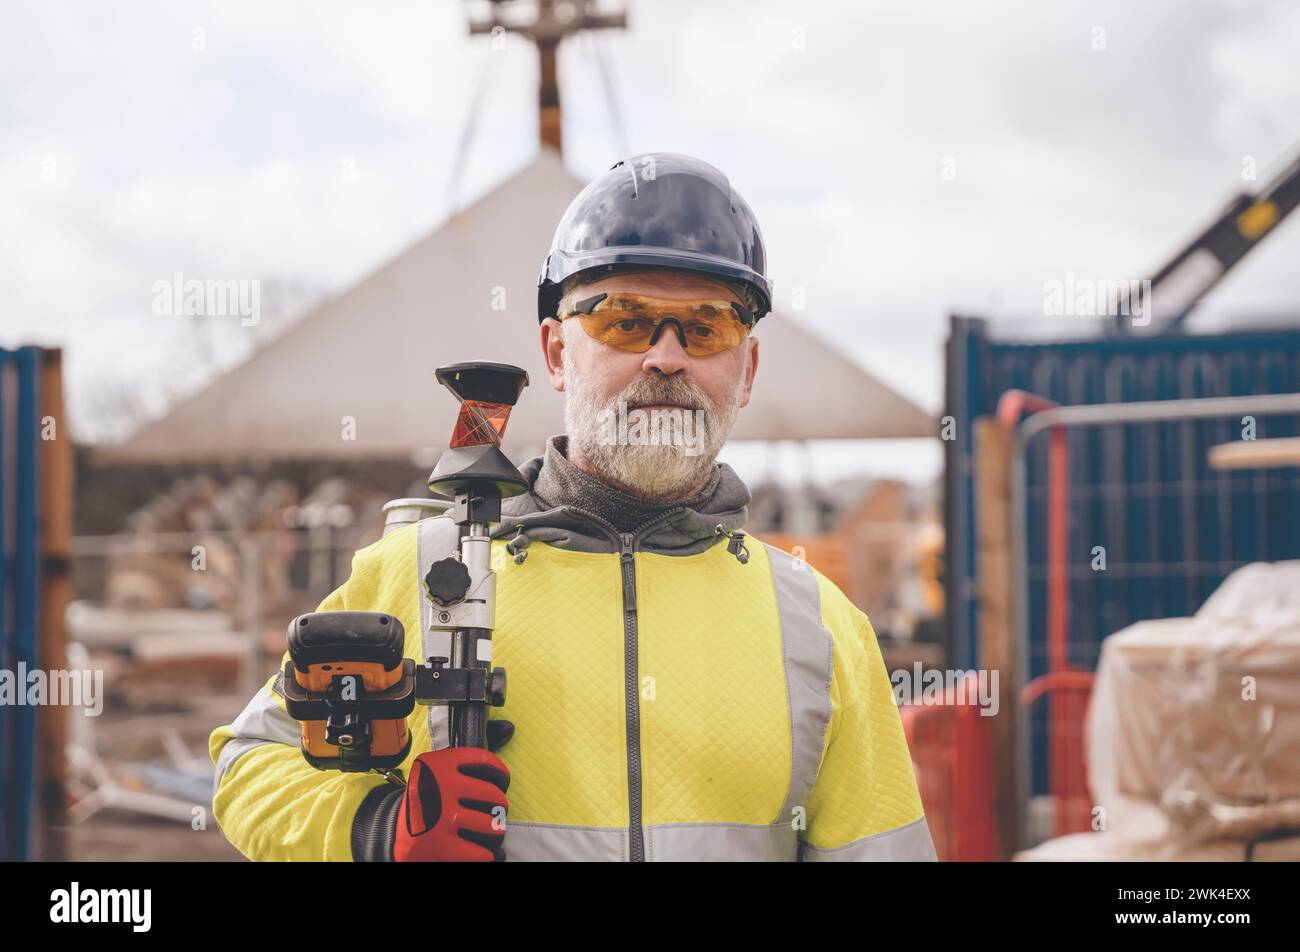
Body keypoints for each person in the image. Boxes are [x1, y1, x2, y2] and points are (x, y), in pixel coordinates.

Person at [209, 152, 937, 862]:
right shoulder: (422, 572)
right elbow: (251, 763)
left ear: (745, 370)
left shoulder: (818, 626)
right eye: (625, 321)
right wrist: (376, 830)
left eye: (708, 326)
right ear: (557, 353)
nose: (667, 358)